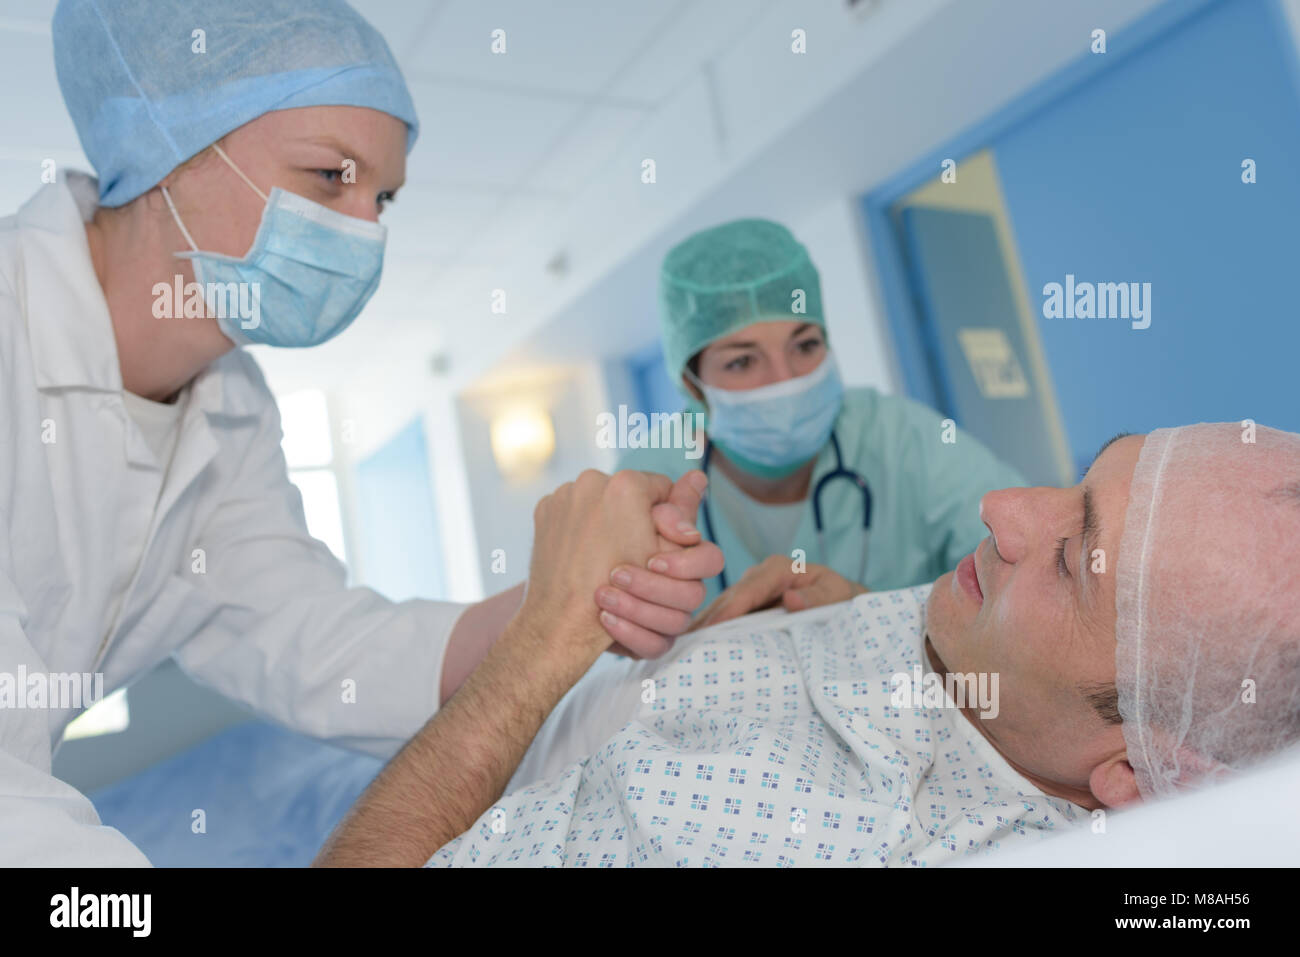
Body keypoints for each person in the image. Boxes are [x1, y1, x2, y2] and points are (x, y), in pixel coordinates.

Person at [0, 0, 719, 865]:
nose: (365, 229)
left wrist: (568, 597)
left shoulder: (236, 411)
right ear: (168, 139)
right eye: (328, 176)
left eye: (383, 196)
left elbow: (316, 641)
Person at [318, 422, 1300, 867]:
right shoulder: (995, 682)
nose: (1004, 510)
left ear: (1130, 771)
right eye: (1079, 477)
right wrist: (815, 636)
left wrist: (544, 639)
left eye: (1072, 559)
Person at [613, 218, 1026, 619]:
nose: (786, 379)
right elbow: (623, 643)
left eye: (805, 344)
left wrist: (872, 613)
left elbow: (1027, 563)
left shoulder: (899, 436)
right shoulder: (647, 481)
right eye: (742, 361)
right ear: (692, 383)